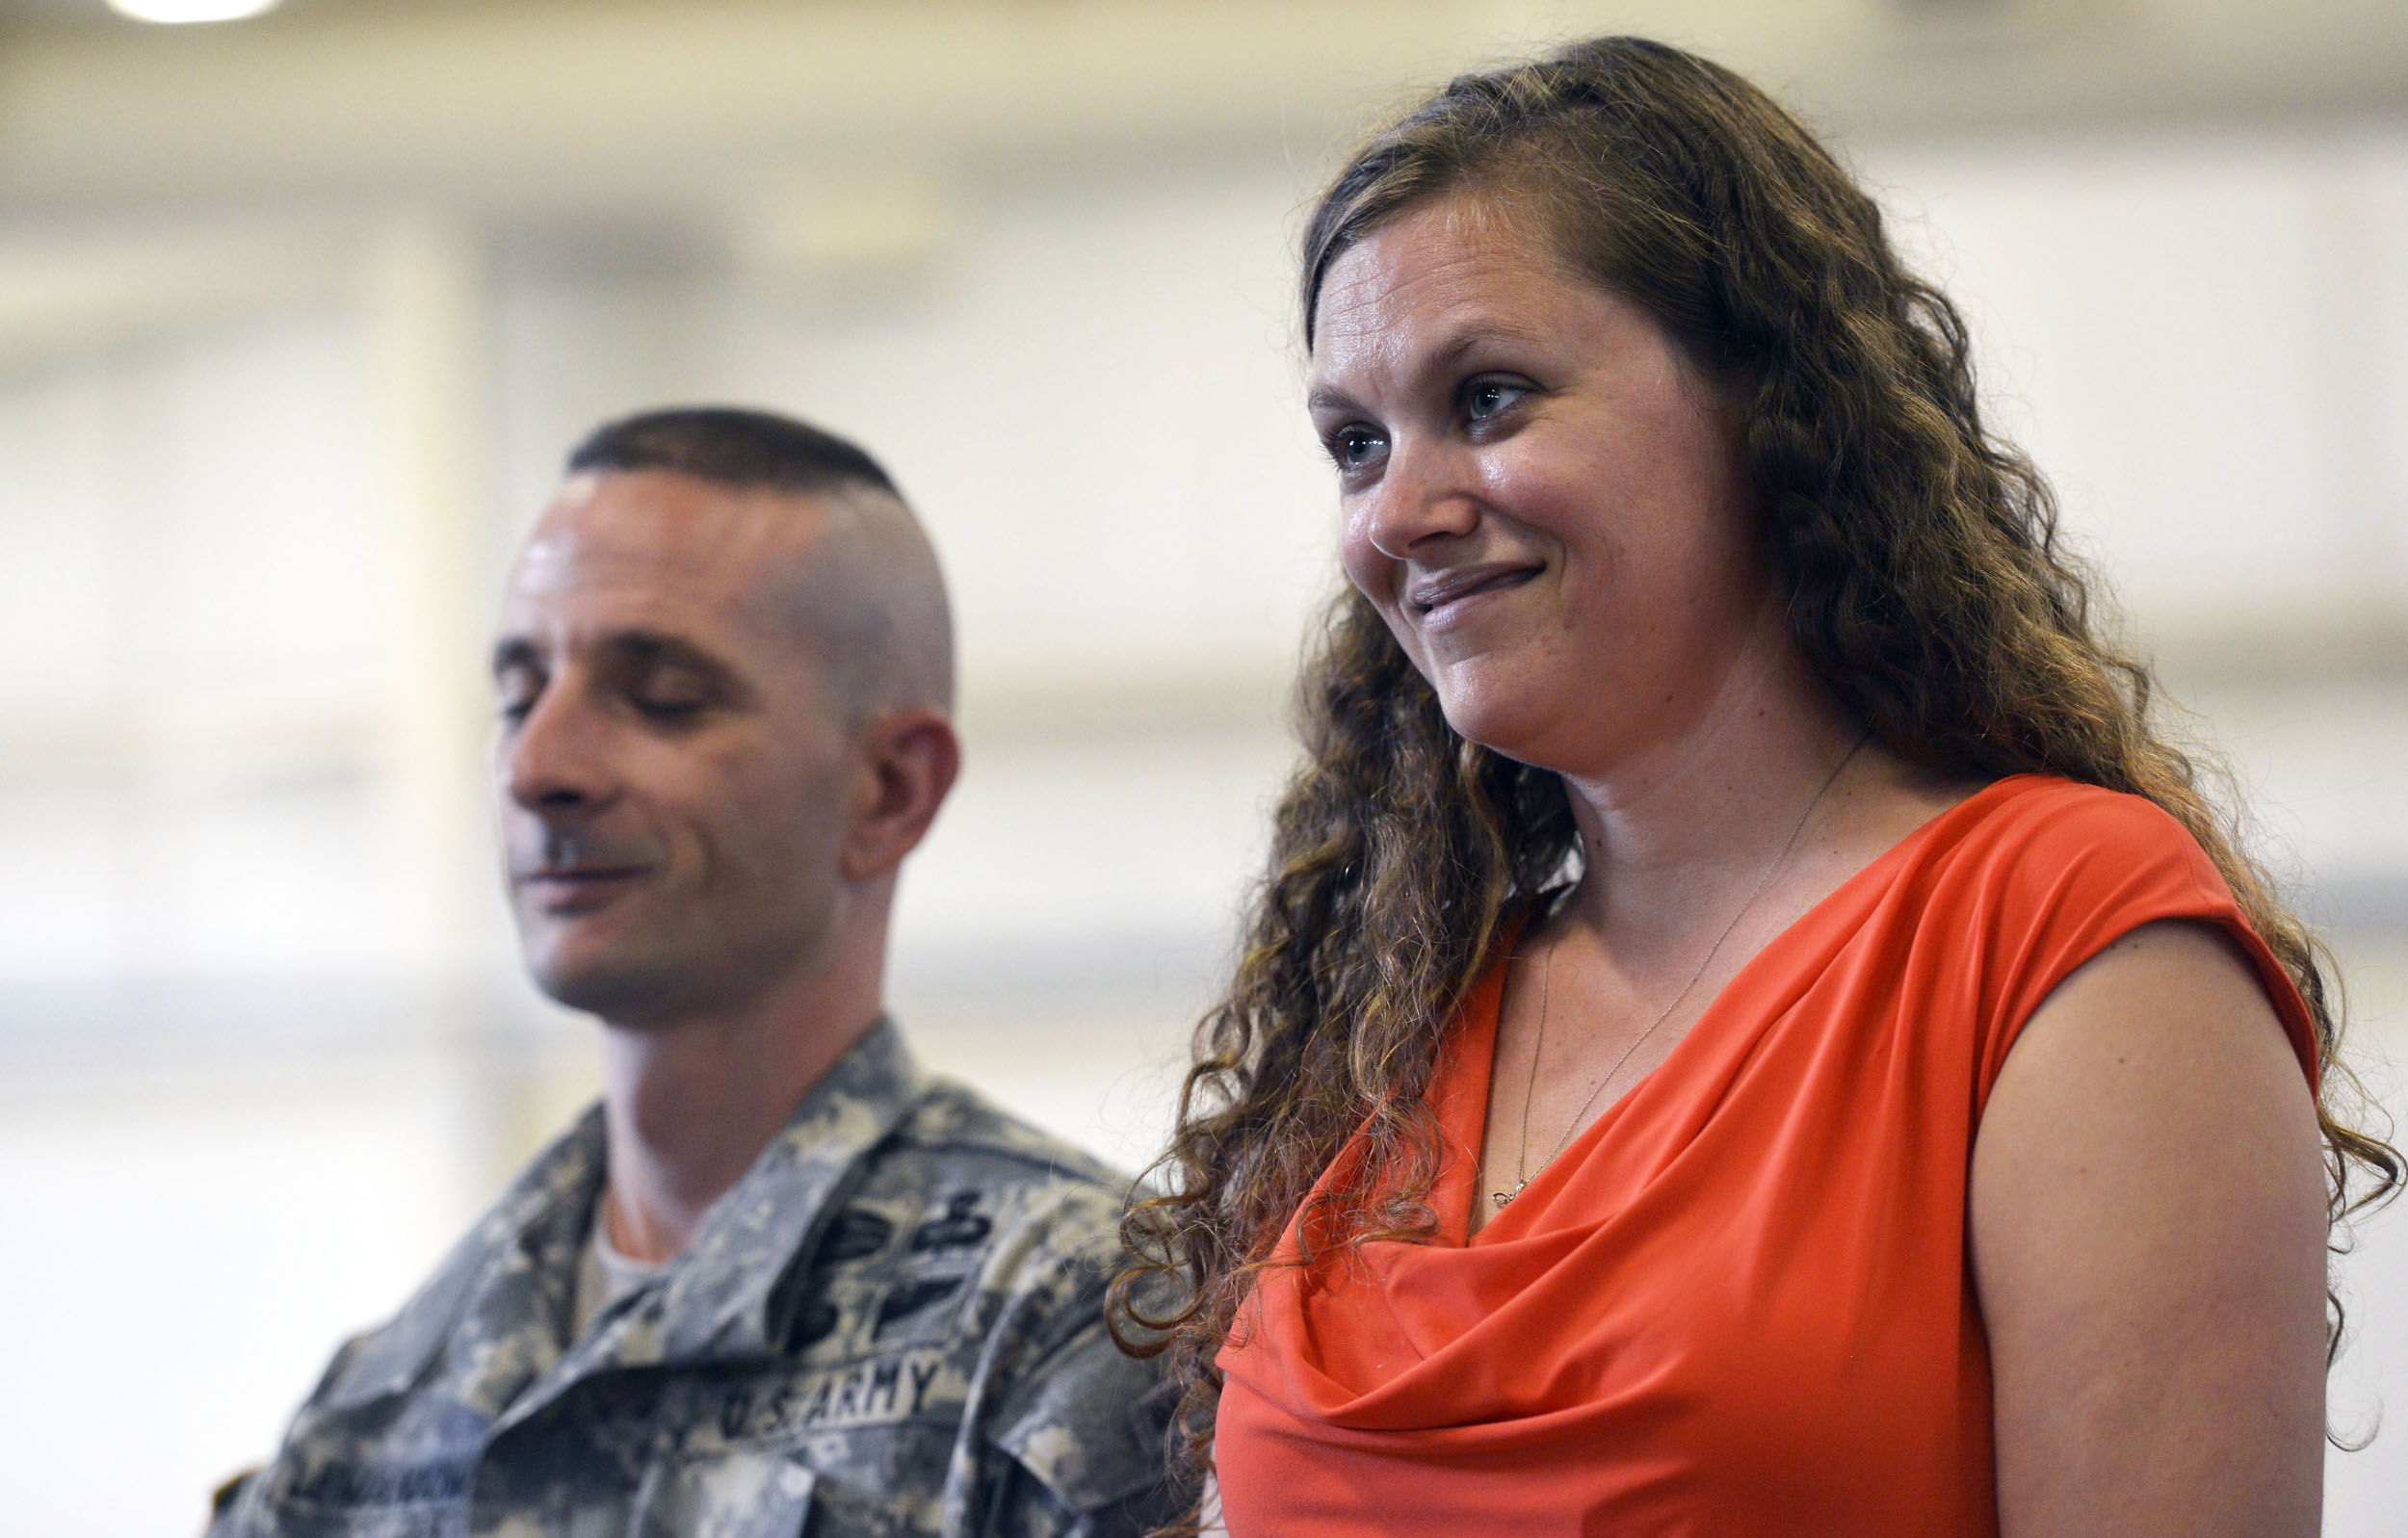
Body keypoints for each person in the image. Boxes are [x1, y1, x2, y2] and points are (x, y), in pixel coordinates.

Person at [1112, 37, 2400, 1538]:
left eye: (1492, 397)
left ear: (1769, 404)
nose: (1398, 511)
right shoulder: (1406, 1012)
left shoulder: (2061, 937)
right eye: (1355, 443)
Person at [210, 407, 1175, 1538]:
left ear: (888, 790)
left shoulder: (1078, 1323)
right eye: (519, 695)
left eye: (661, 699)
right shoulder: (377, 1410)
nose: (537, 766)